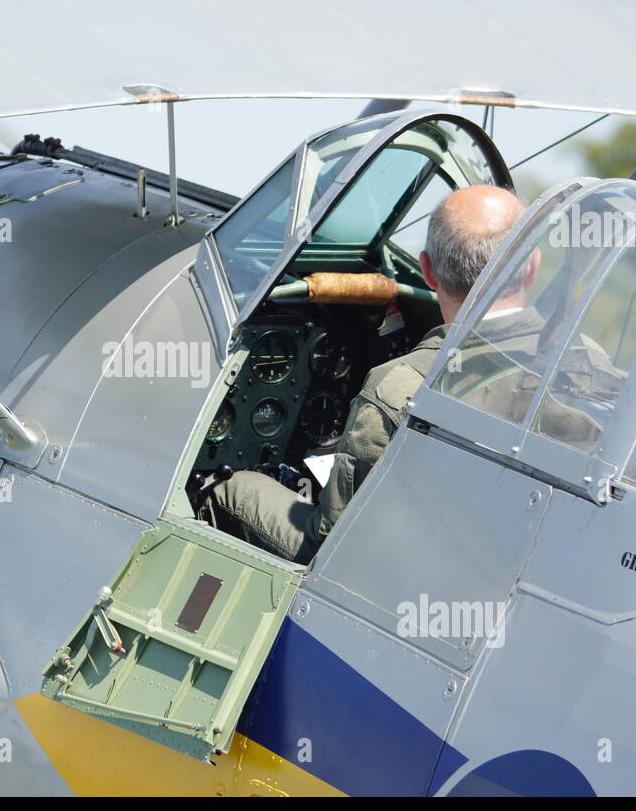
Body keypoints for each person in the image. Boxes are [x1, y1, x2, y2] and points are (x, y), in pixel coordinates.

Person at [210, 184, 529, 563]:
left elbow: (331, 544)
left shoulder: (401, 387)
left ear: (426, 270)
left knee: (228, 488)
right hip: (495, 554)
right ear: (532, 266)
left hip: (402, 566)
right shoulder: (586, 366)